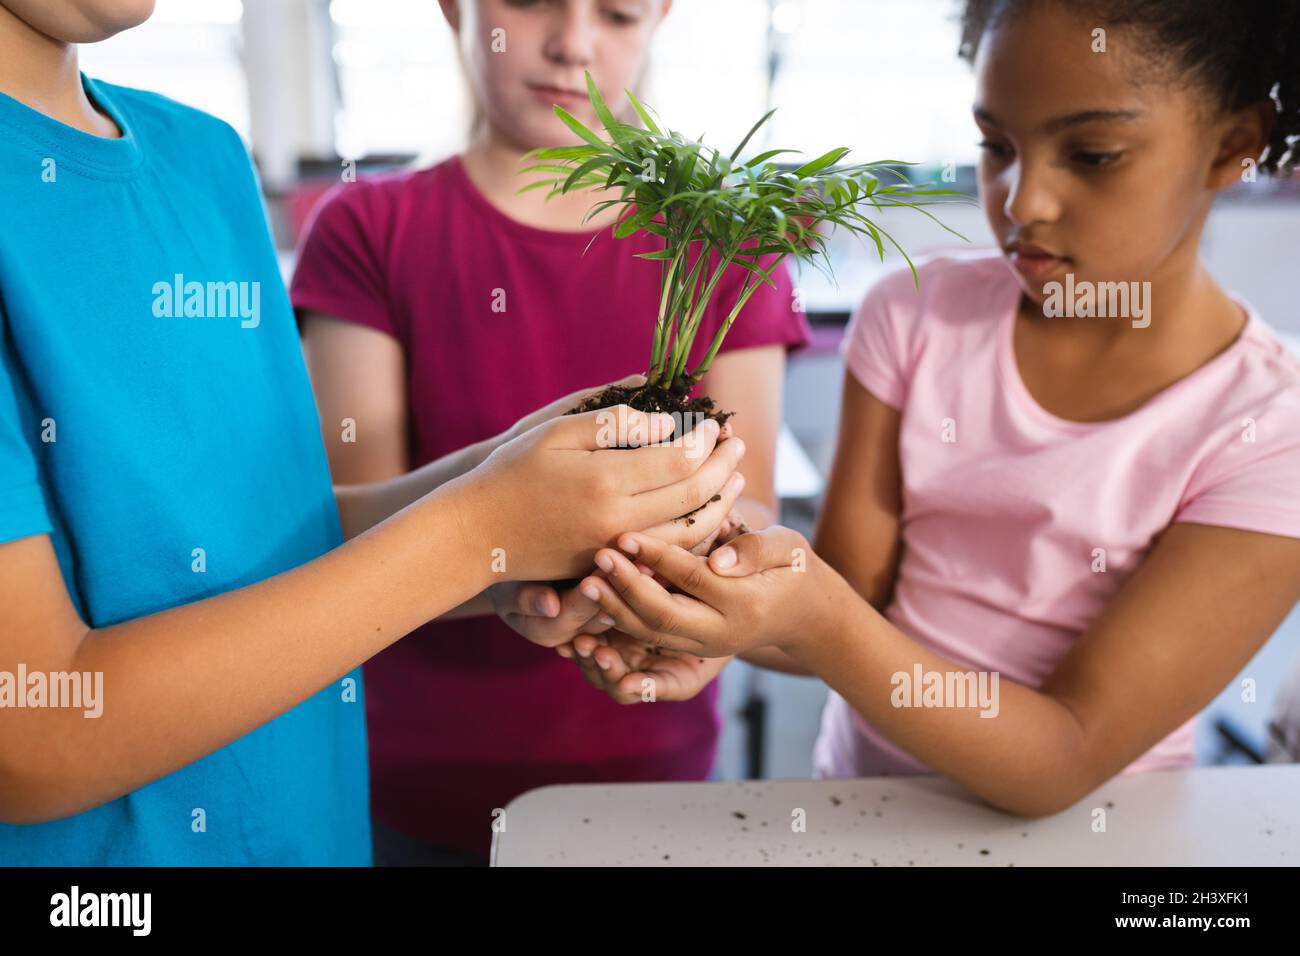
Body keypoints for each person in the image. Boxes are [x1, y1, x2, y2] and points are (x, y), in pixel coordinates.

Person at [0, 0, 742, 864]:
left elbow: (276, 540)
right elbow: (36, 736)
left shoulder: (205, 161)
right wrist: (481, 530)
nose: (574, 38)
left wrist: (501, 506)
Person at [566, 0, 1300, 817]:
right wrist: (682, 610)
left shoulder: (1271, 433)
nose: (1025, 202)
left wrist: (813, 617)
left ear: (1233, 143)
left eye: (1092, 155)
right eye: (996, 146)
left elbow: (1064, 754)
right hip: (862, 812)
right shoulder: (915, 316)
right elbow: (848, 602)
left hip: (1097, 839)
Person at [291, 0, 809, 864]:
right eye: (531, 2)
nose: (573, 43)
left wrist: (650, 582)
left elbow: (748, 508)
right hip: (417, 782)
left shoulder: (729, 241)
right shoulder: (369, 231)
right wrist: (528, 556)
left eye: (616, 13)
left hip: (657, 770)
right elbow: (349, 533)